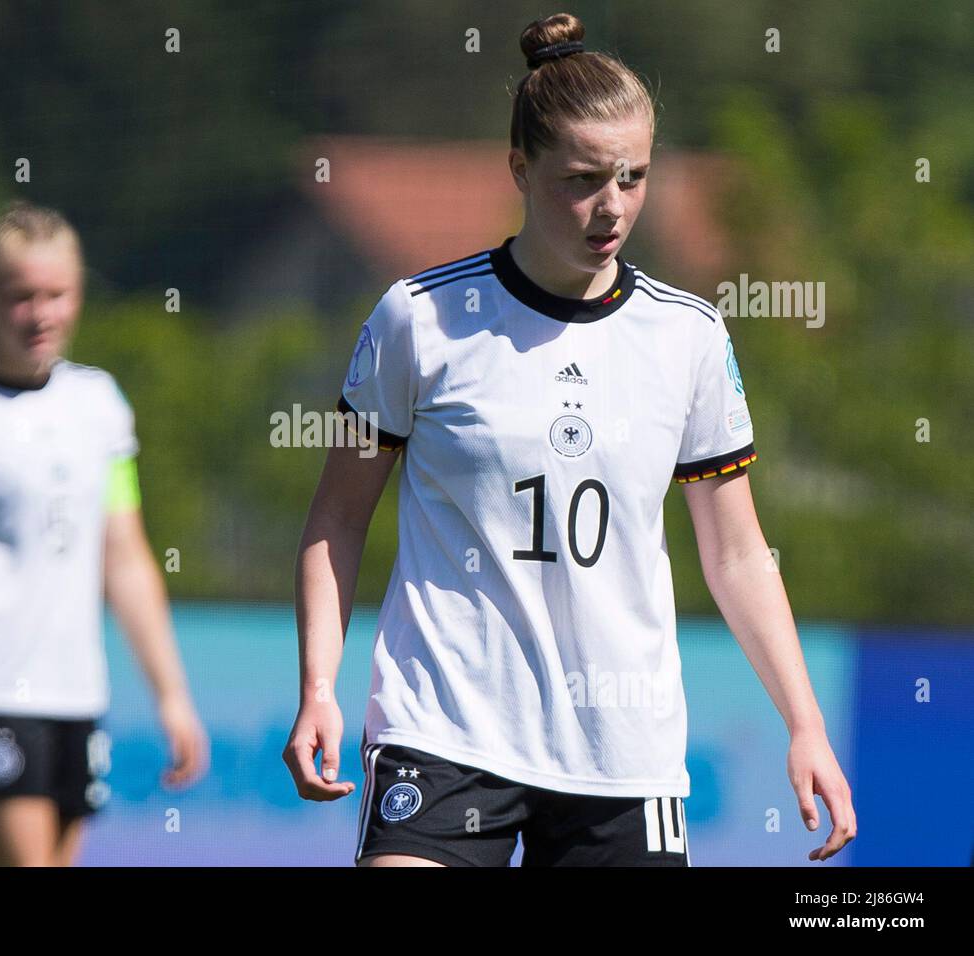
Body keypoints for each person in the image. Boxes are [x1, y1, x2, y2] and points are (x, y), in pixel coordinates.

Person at [284, 13, 857, 867]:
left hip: (622, 753)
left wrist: (805, 725)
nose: (613, 207)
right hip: (446, 728)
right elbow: (336, 518)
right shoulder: (421, 318)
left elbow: (737, 555)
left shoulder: (689, 336)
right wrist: (319, 689)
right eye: (584, 180)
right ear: (520, 168)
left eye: (634, 178)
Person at [0, 201, 208, 866]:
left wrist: (173, 698)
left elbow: (126, 559)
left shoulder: (101, 405)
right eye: (20, 296)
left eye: (57, 294)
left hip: (75, 694)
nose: (41, 314)